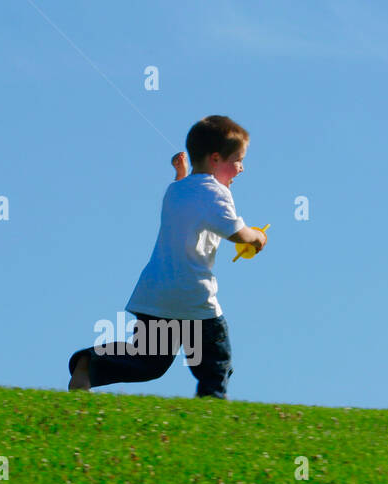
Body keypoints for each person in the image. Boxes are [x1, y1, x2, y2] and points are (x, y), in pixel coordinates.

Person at [67, 115, 266, 399]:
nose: (241, 168)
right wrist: (258, 237)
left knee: (147, 362)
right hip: (192, 296)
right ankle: (211, 417)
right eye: (237, 160)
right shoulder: (216, 195)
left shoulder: (176, 189)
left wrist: (182, 173)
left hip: (157, 295)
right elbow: (236, 233)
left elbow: (189, 202)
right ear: (215, 159)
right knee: (215, 365)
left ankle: (90, 362)